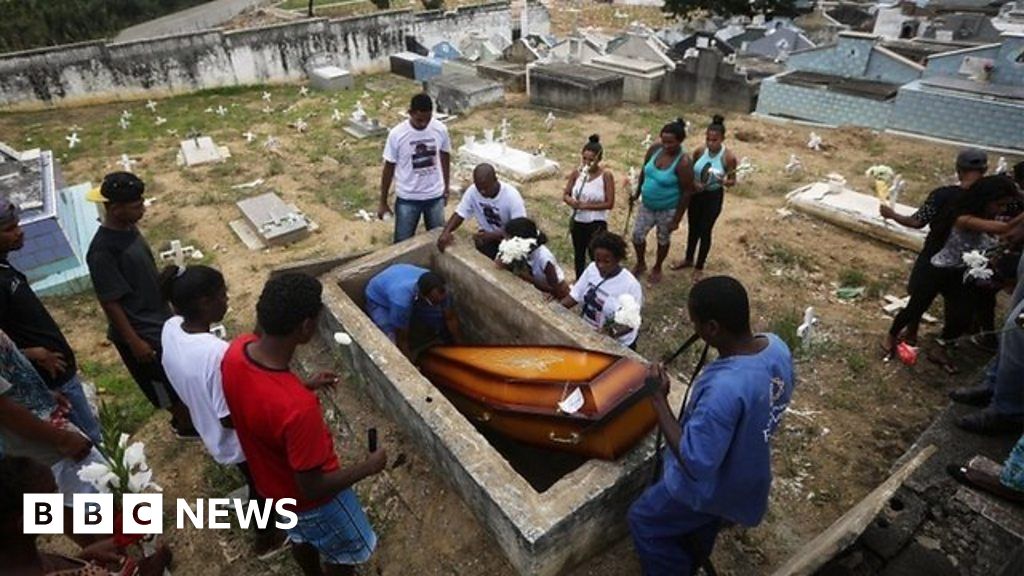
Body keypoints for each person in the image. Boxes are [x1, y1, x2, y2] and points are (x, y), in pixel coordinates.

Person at [221, 274, 387, 576]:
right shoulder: (297, 408)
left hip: (272, 492)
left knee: (300, 537)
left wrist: (304, 385)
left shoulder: (236, 352)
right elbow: (312, 486)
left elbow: (259, 402)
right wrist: (370, 466)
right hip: (316, 506)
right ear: (307, 327)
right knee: (344, 554)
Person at [628, 276, 795, 575]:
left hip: (707, 488)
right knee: (702, 524)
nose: (694, 329)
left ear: (712, 328)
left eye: (695, 323)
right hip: (744, 476)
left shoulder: (724, 388)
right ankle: (692, 557)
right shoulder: (776, 346)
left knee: (644, 520)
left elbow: (694, 461)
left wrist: (658, 400)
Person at [158, 265, 281, 553]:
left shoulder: (172, 327)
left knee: (255, 480)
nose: (227, 300)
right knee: (261, 486)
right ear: (204, 302)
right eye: (221, 295)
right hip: (236, 440)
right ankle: (267, 539)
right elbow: (229, 418)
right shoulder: (215, 354)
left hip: (207, 426)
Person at [85, 172, 195, 437]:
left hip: (159, 322)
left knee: (176, 378)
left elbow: (136, 278)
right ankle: (185, 426)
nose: (143, 209)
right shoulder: (102, 251)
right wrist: (134, 341)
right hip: (140, 333)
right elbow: (110, 302)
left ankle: (192, 418)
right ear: (114, 208)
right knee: (161, 386)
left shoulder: (129, 229)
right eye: (136, 206)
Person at [0, 199, 102, 445]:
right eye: (9, 229)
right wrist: (32, 354)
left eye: (18, 225)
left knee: (90, 432)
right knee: (87, 440)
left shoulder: (4, 268)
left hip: (58, 369)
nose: (19, 231)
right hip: (48, 376)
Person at [0, 328, 105, 549]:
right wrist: (61, 439)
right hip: (43, 444)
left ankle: (107, 561)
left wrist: (41, 396)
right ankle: (126, 561)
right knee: (98, 503)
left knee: (63, 508)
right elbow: (4, 409)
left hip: (34, 438)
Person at [881, 148, 988, 356]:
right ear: (985, 170)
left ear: (959, 170)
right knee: (960, 311)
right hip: (966, 263)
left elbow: (917, 221)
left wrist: (892, 214)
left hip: (933, 258)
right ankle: (943, 344)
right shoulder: (990, 200)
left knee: (917, 302)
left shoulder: (943, 195)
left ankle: (895, 335)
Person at [0, 456, 172, 576]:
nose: (61, 503)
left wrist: (84, 556)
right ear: (23, 522)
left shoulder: (20, 557)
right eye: (52, 496)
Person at [922, 175, 1024, 372]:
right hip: (948, 273)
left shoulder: (987, 210)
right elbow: (1005, 229)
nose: (1003, 210)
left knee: (965, 312)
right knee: (929, 308)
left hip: (967, 273)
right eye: (1000, 205)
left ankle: (950, 341)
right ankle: (913, 338)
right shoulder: (965, 217)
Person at [671, 114, 738, 282]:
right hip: (697, 194)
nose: (710, 143)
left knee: (705, 230)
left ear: (722, 139)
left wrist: (723, 181)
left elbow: (732, 180)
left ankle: (699, 266)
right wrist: (694, 183)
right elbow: (690, 171)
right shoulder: (700, 151)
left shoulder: (728, 157)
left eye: (714, 140)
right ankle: (688, 258)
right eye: (708, 139)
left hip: (713, 196)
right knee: (693, 227)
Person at [378, 93, 452, 243]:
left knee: (438, 240)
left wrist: (446, 187)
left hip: (434, 196)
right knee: (402, 244)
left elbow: (445, 156)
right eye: (419, 120)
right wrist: (383, 201)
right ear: (410, 113)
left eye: (427, 119)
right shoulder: (397, 135)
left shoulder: (440, 130)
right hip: (408, 198)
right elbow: (389, 168)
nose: (423, 124)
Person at [631, 119, 696, 285]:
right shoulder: (654, 150)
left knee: (663, 238)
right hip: (647, 204)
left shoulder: (683, 162)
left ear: (680, 141)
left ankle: (658, 266)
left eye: (670, 142)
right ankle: (640, 263)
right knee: (637, 235)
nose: (666, 145)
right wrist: (637, 192)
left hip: (667, 209)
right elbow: (644, 171)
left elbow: (687, 192)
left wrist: (676, 219)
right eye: (663, 140)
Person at [561, 232, 643, 350]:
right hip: (589, 335)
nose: (600, 265)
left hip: (617, 344)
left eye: (607, 261)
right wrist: (555, 308)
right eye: (597, 260)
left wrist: (608, 333)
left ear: (618, 259)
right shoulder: (591, 269)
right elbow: (575, 295)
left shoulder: (630, 285)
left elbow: (631, 323)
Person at [364, 264, 460, 358]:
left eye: (440, 301)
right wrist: (412, 367)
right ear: (422, 295)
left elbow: (450, 318)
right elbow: (401, 339)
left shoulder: (437, 286)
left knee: (437, 317)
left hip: (399, 274)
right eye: (434, 302)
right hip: (378, 301)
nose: (438, 303)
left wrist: (459, 345)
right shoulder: (401, 302)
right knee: (391, 339)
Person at [437, 164, 527, 259]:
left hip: (509, 240)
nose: (482, 192)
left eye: (486, 188)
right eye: (479, 188)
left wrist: (492, 236)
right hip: (486, 238)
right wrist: (446, 232)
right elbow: (460, 213)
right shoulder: (473, 192)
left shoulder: (511, 196)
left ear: (495, 180)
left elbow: (520, 229)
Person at [563, 134, 615, 279]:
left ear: (599, 159)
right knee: (579, 253)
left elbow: (609, 203)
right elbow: (566, 193)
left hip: (595, 222)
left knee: (596, 254)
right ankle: (580, 279)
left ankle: (599, 279)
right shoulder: (577, 173)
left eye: (591, 160)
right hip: (578, 221)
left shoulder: (606, 176)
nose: (587, 163)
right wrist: (571, 201)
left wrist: (586, 206)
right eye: (584, 159)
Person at [500, 217, 569, 299]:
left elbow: (555, 288)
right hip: (539, 287)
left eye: (508, 239)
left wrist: (526, 277)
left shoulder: (544, 258)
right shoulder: (521, 252)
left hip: (558, 291)